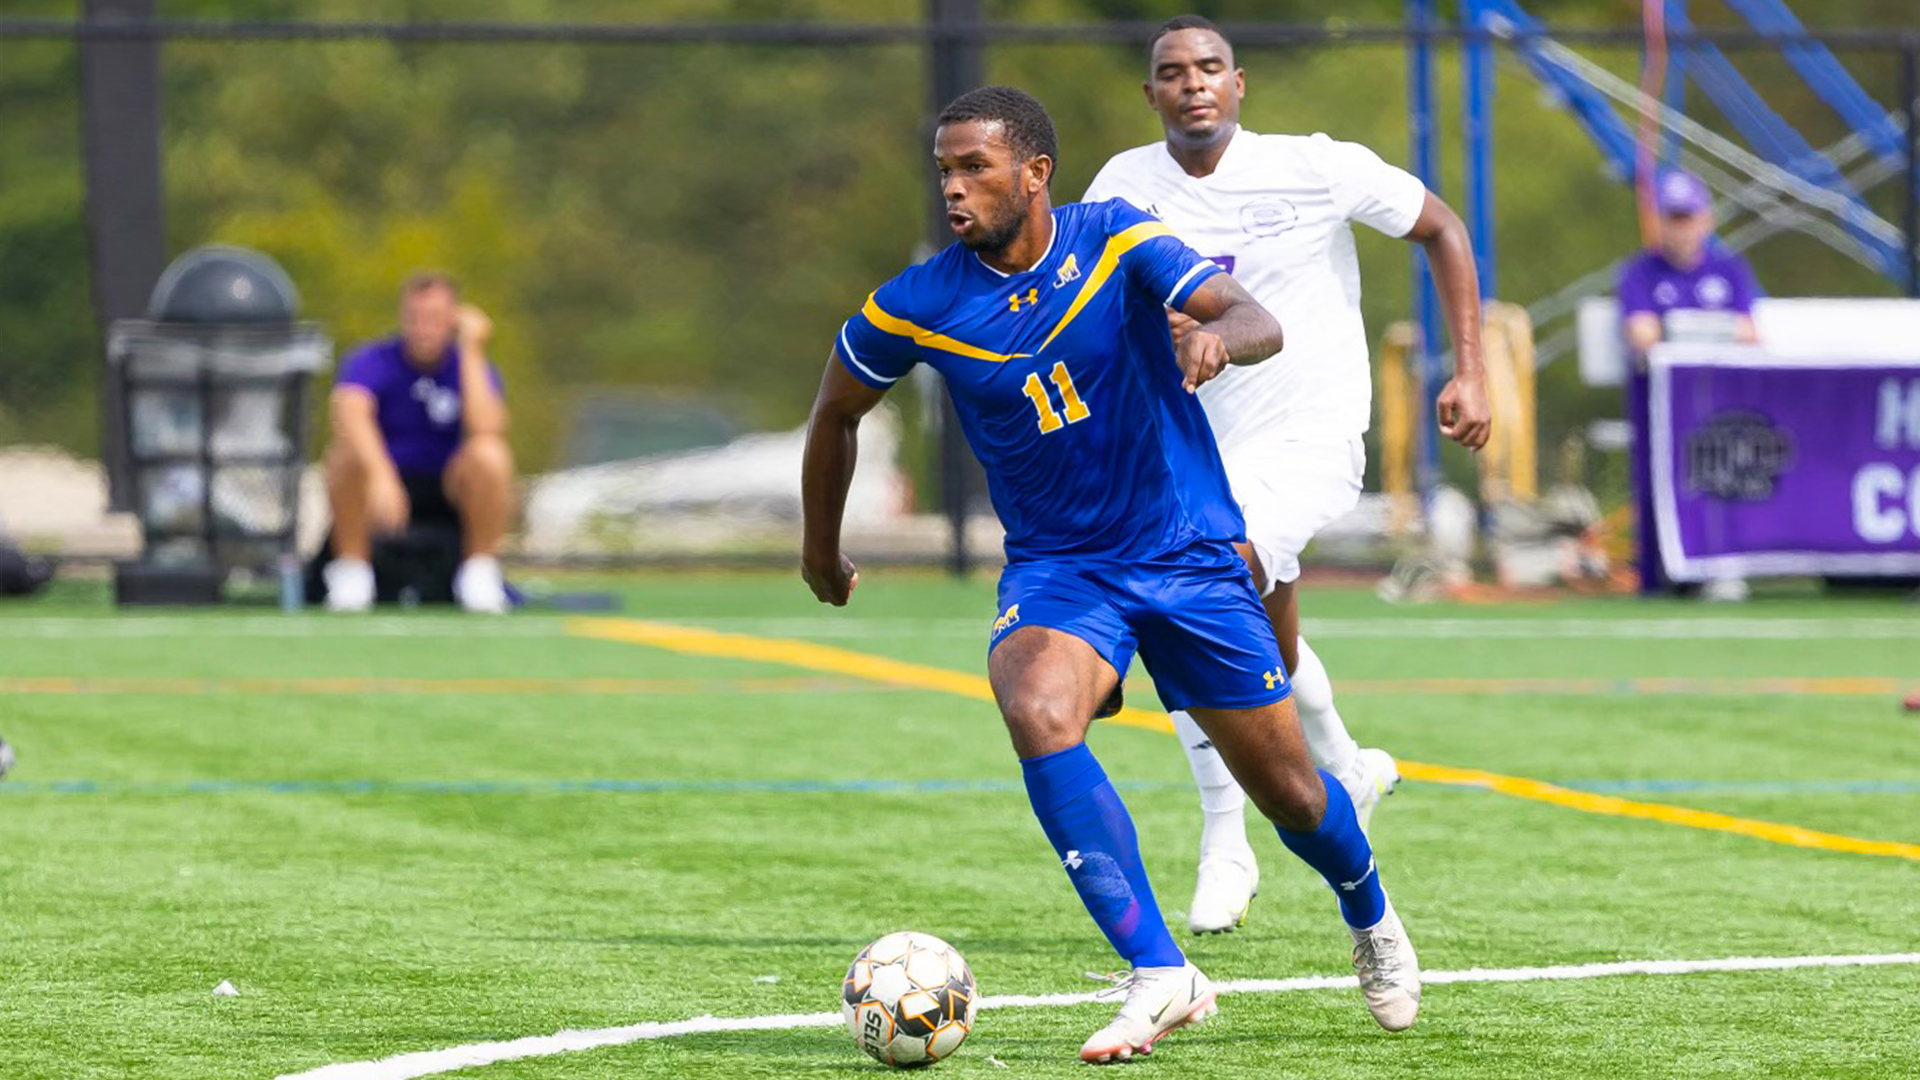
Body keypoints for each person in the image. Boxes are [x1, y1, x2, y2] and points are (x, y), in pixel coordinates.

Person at [801, 86, 1421, 1064]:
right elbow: (835, 412)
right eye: (944, 172)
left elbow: (1251, 314)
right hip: (1061, 571)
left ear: (1035, 173)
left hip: (1186, 554)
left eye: (975, 168)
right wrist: (818, 548)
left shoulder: (1120, 239)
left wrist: (1217, 338)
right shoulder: (920, 301)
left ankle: (1370, 912)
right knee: (1036, 707)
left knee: (1296, 798)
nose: (954, 191)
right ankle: (1162, 972)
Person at [1082, 15, 1491, 935]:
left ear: (1239, 83)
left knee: (1205, 578)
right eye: (1173, 72)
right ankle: (1347, 764)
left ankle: (1225, 832)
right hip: (1189, 448)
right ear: (1151, 95)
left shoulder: (1315, 165)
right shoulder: (1120, 186)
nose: (1194, 84)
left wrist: (1470, 367)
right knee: (1257, 626)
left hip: (1310, 433)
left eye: (1211, 68)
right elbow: (1099, 304)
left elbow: (1442, 228)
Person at [323, 272, 514, 613]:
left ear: (453, 320)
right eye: (415, 318)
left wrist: (471, 348)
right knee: (345, 454)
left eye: (435, 319)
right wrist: (382, 476)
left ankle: (479, 572)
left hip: (449, 486)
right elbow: (349, 412)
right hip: (384, 485)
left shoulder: (470, 365)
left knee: (490, 454)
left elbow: (486, 426)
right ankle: (353, 571)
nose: (423, 328)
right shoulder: (373, 360)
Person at [1617, 169, 1761, 598]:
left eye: (1686, 217)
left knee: (1725, 470)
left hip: (1718, 404)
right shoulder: (1640, 273)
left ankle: (1721, 566)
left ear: (1705, 219)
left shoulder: (1728, 270)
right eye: (1671, 217)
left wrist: (1677, 328)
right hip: (1659, 406)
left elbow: (1751, 332)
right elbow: (1640, 335)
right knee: (1656, 479)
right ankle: (1658, 575)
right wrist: (1713, 328)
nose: (1679, 227)